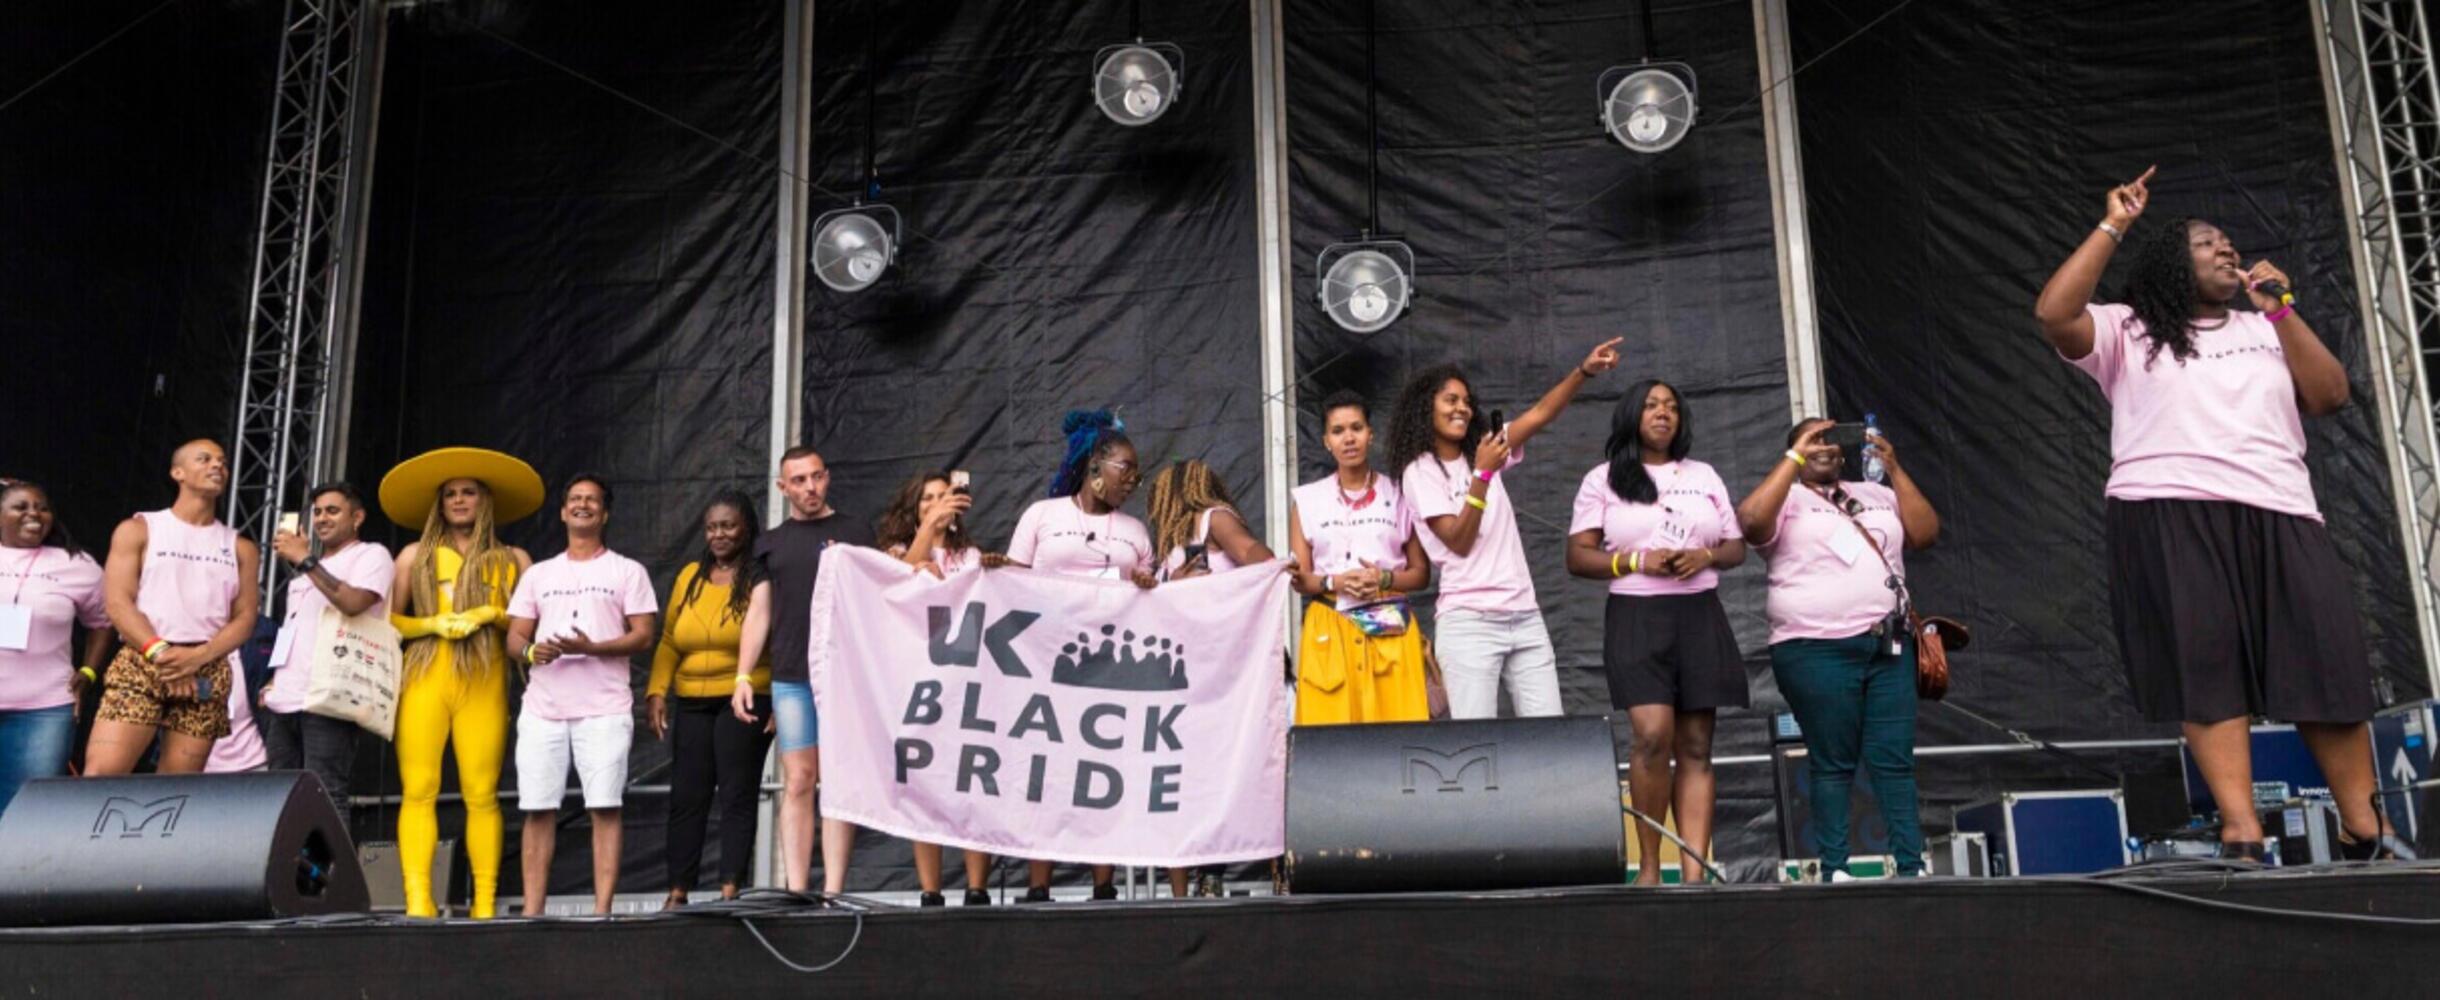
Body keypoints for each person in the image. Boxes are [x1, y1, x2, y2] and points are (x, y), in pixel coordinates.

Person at [2034, 167, 2406, 860]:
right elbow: (2054, 314)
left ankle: (2367, 826)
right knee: (2204, 668)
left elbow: (2329, 395)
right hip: (2168, 509)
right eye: (2209, 244)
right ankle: (2242, 829)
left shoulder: (2267, 326)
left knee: (2324, 663)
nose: (2228, 251)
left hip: (2281, 508)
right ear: (2174, 263)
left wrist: (2282, 310)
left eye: (2231, 244)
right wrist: (2114, 222)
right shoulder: (2127, 329)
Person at [1737, 418, 1940, 879]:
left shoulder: (1875, 495)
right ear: (1792, 452)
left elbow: (1926, 533)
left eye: (1829, 439)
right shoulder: (1784, 499)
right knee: (1832, 761)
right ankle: (1834, 868)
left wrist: (1894, 467)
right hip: (1814, 648)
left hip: (1886, 645)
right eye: (1810, 440)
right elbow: (1749, 524)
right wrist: (1794, 460)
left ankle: (1911, 866)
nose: (1822, 446)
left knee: (1894, 758)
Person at [1566, 380, 1747, 883]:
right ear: (1631, 416)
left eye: (1671, 407)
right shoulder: (1603, 479)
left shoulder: (1704, 474)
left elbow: (1736, 548)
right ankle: (1649, 865)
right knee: (1651, 736)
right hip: (1637, 616)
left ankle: (1694, 874)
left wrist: (1705, 554)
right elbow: (1577, 556)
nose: (1663, 414)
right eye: (1651, 406)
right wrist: (1635, 559)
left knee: (1695, 746)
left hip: (1699, 614)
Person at [1390, 339, 1623, 719]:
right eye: (1450, 400)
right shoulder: (1419, 471)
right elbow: (1459, 541)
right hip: (1469, 623)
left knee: (1547, 738)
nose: (1462, 408)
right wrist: (1482, 473)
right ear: (1425, 407)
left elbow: (1540, 414)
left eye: (1466, 401)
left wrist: (1583, 372)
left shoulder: (1483, 447)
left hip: (1524, 615)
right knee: (1479, 748)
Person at [1002, 409, 1159, 902]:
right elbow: (1012, 585)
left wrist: (1145, 584)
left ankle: (1104, 885)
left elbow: (1156, 600)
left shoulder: (1135, 531)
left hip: (1110, 667)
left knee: (1102, 773)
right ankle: (1038, 885)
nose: (1133, 479)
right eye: (1124, 468)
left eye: (1137, 471)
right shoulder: (1041, 516)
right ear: (1095, 468)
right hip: (1046, 663)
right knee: (1042, 772)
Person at [381, 446, 542, 919]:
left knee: (481, 792)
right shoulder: (414, 555)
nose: (458, 500)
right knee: (419, 787)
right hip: (426, 674)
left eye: (468, 492)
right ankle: (417, 901)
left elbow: (535, 620)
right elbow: (385, 621)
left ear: (485, 500)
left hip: (486, 678)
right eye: (449, 493)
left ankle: (486, 905)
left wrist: (494, 614)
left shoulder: (514, 558)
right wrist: (430, 625)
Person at [506, 474, 659, 917]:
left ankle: (601, 912)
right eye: (575, 499)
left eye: (592, 500)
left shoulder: (627, 570)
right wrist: (535, 650)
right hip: (543, 709)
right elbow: (514, 637)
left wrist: (592, 647)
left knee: (605, 807)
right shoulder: (539, 573)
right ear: (562, 511)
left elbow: (644, 635)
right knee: (537, 810)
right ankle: (532, 913)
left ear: (605, 513)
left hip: (604, 709)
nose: (583, 505)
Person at [732, 447, 875, 894]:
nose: (810, 487)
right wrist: (742, 675)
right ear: (782, 487)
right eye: (799, 480)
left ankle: (832, 890)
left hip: (843, 674)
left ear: (827, 477)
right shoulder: (770, 542)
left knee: (835, 780)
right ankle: (796, 890)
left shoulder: (855, 530)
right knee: (797, 779)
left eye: (816, 477)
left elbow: (876, 597)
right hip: (791, 676)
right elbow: (759, 611)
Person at [1145, 458, 1277, 897]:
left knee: (1242, 765)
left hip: (1229, 670)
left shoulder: (1212, 520)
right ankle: (1201, 877)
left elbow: (1257, 557)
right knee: (1196, 778)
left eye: (1161, 494)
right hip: (1189, 678)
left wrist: (1267, 574)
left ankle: (1262, 868)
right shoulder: (1170, 547)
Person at [90, 440, 261, 776]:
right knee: (101, 774)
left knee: (176, 788)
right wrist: (164, 655)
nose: (217, 466)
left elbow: (246, 617)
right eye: (205, 459)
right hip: (144, 656)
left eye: (223, 462)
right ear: (177, 472)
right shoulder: (139, 529)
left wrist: (196, 659)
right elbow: (117, 602)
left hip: (206, 665)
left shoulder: (240, 547)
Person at [875, 471, 1003, 906]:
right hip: (919, 684)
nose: (935, 505)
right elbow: (893, 579)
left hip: (968, 683)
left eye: (943, 497)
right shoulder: (898, 552)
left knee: (973, 780)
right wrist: (927, 535)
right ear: (915, 509)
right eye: (927, 499)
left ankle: (976, 887)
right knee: (924, 783)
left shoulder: (970, 557)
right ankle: (930, 891)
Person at [648, 491, 773, 909]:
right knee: (687, 795)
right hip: (691, 698)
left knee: (736, 792)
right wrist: (656, 690)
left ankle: (729, 889)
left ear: (747, 528)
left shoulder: (759, 575)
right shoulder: (689, 577)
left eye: (729, 525)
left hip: (745, 695)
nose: (719, 534)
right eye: (712, 527)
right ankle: (678, 890)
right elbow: (668, 639)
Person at [1288, 390, 1435, 727]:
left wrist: (1382, 579)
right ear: (1326, 441)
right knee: (1332, 736)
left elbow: (1421, 574)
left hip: (1389, 621)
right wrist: (1335, 582)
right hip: (1330, 624)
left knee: (1399, 733)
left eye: (1356, 428)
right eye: (1338, 431)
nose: (1348, 438)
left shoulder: (1398, 492)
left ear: (1371, 434)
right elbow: (1301, 579)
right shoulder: (1307, 500)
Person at [254, 482, 391, 815]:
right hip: (285, 697)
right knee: (280, 799)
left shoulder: (371, 554)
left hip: (330, 696)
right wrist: (275, 677)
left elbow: (353, 602)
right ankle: (290, 869)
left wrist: (305, 559)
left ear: (357, 517)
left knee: (326, 796)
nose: (321, 519)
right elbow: (292, 628)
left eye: (332, 510)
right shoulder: (303, 575)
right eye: (316, 512)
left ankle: (331, 870)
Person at [0, 481, 112, 813]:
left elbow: (103, 623)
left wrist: (89, 672)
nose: (33, 513)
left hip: (44, 710)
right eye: (20, 507)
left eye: (42, 507)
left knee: (27, 810)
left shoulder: (75, 564)